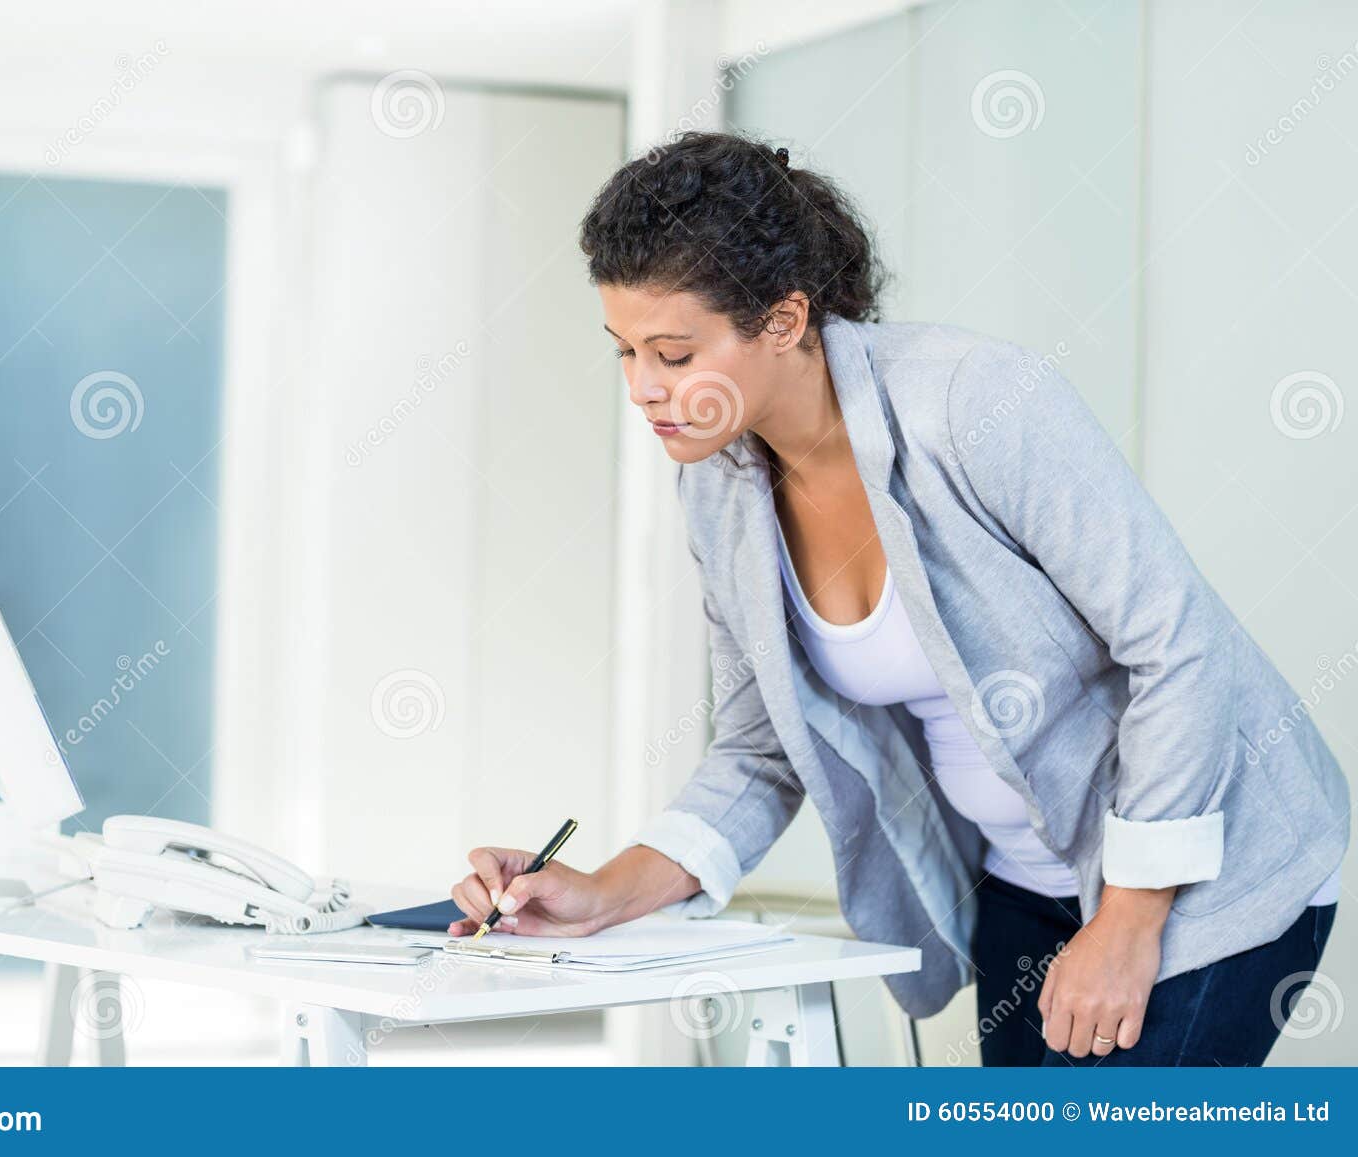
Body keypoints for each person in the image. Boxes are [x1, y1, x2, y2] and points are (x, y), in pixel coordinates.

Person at [447, 132, 1347, 1065]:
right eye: (625, 351)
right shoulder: (720, 488)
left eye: (673, 353)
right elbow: (759, 750)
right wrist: (602, 889)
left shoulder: (972, 402)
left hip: (1200, 870)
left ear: (786, 318)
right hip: (1022, 884)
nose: (643, 388)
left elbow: (1178, 642)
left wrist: (1126, 919)